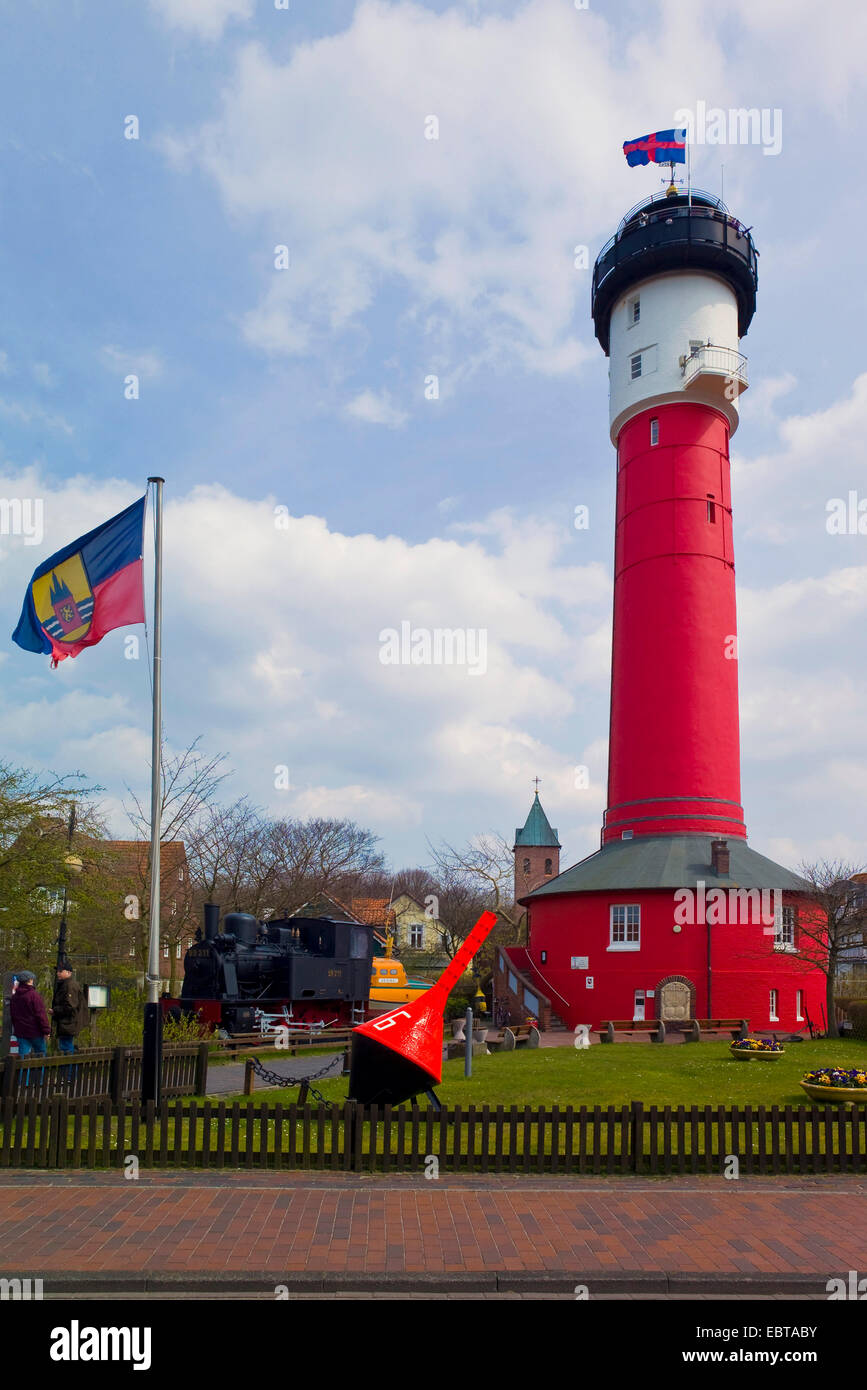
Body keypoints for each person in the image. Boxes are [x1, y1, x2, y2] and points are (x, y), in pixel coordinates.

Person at [9, 971, 51, 1057]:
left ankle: (24, 1071)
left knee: (23, 1057)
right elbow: (40, 1014)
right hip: (35, 1031)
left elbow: (13, 1015)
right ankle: (39, 1071)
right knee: (40, 1055)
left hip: (21, 1031)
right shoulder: (33, 995)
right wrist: (46, 1030)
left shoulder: (15, 997)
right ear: (30, 980)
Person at [52, 965, 89, 1055]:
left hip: (68, 1023)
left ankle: (68, 1069)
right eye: (57, 971)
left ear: (69, 973)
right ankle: (69, 1068)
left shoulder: (69, 986)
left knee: (66, 1048)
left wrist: (55, 1010)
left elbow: (70, 1007)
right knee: (66, 1046)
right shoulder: (67, 984)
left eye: (61, 971)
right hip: (67, 1023)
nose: (58, 973)